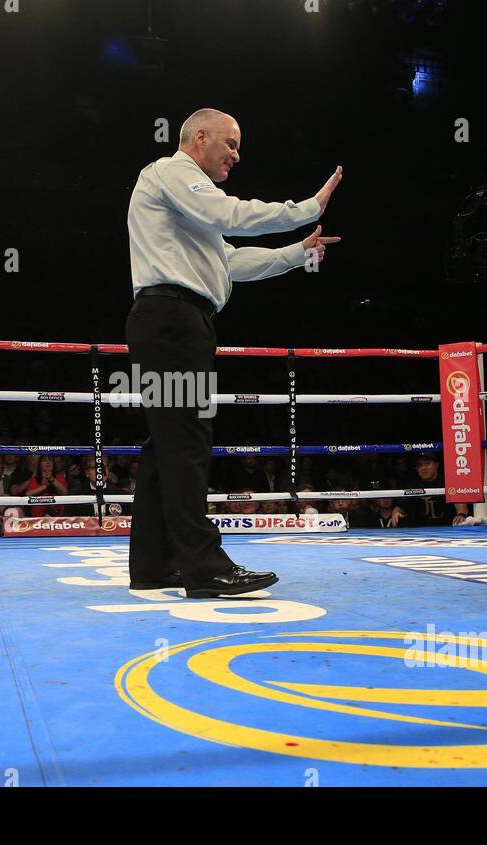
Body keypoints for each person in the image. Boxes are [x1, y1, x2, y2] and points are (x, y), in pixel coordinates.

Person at [125, 107, 342, 597]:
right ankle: (204, 567)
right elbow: (230, 214)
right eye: (230, 144)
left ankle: (154, 565)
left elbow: (229, 261)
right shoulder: (172, 173)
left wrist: (296, 251)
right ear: (199, 137)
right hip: (173, 322)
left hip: (173, 321)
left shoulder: (188, 205)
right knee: (185, 443)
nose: (236, 156)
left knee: (166, 445)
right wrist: (305, 208)